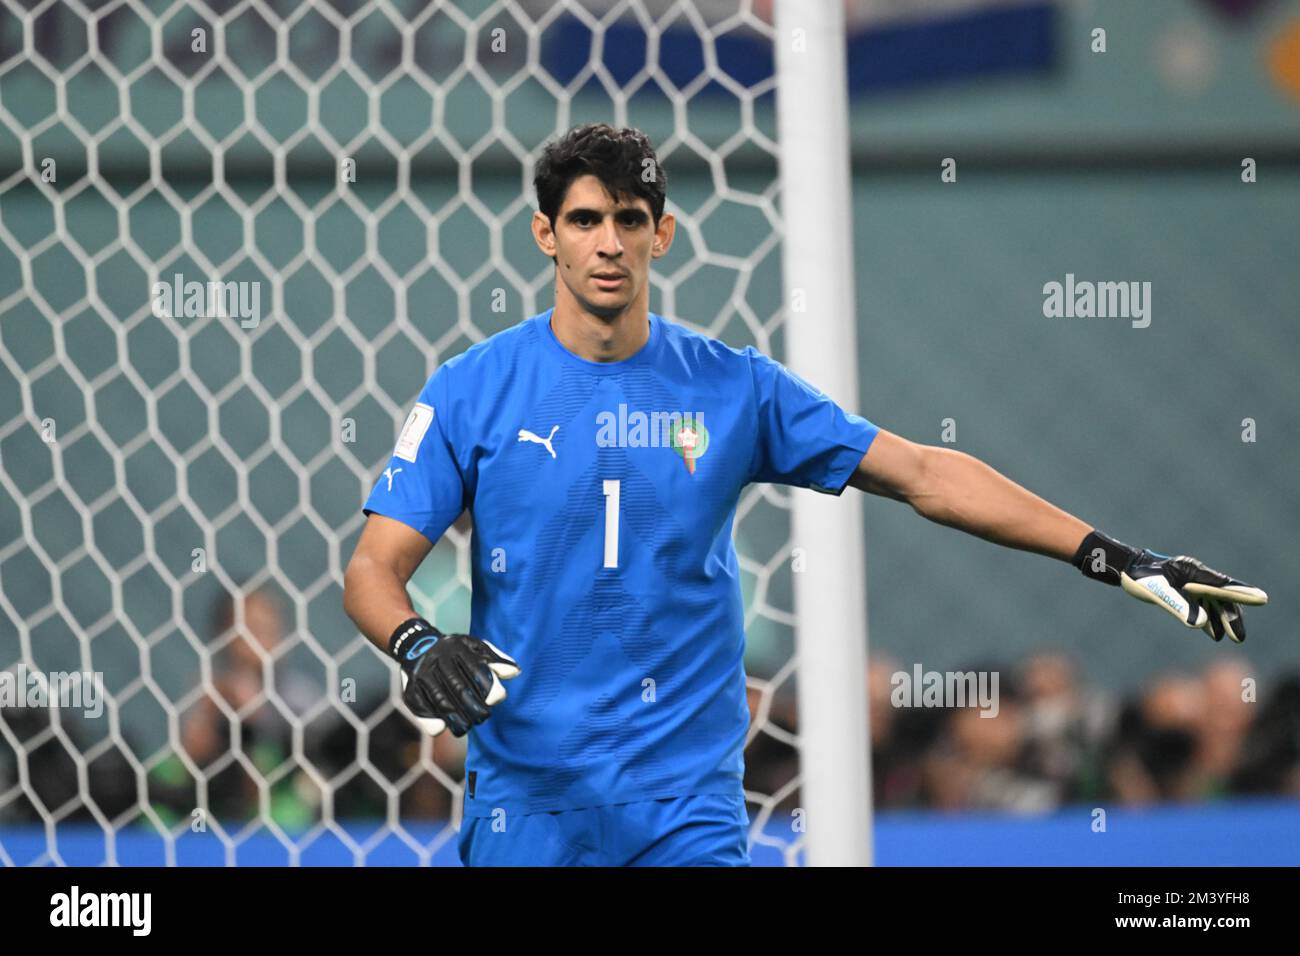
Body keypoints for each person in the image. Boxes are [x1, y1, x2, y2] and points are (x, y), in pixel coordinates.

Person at [342, 123, 1267, 866]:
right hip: (528, 797)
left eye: (630, 218)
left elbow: (924, 474)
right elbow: (375, 566)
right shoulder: (471, 388)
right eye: (585, 221)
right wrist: (418, 642)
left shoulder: (735, 388)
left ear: (663, 233)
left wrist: (1111, 555)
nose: (609, 243)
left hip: (684, 805)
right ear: (546, 235)